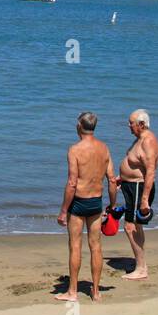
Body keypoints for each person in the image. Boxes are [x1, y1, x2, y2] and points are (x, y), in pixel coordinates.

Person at [56, 112, 116, 303]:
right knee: (96, 246)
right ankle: (96, 291)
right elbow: (112, 180)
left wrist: (64, 210)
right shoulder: (104, 148)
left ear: (80, 126)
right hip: (96, 203)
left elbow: (72, 183)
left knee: (75, 246)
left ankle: (73, 291)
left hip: (79, 202)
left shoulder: (75, 150)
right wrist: (112, 205)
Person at [115, 109, 158, 281]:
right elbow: (136, 165)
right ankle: (141, 265)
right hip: (131, 186)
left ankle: (141, 268)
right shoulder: (139, 139)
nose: (129, 125)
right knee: (135, 226)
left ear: (141, 124)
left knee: (130, 226)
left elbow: (150, 172)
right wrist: (123, 177)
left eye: (131, 123)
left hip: (138, 189)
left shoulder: (148, 141)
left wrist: (144, 200)